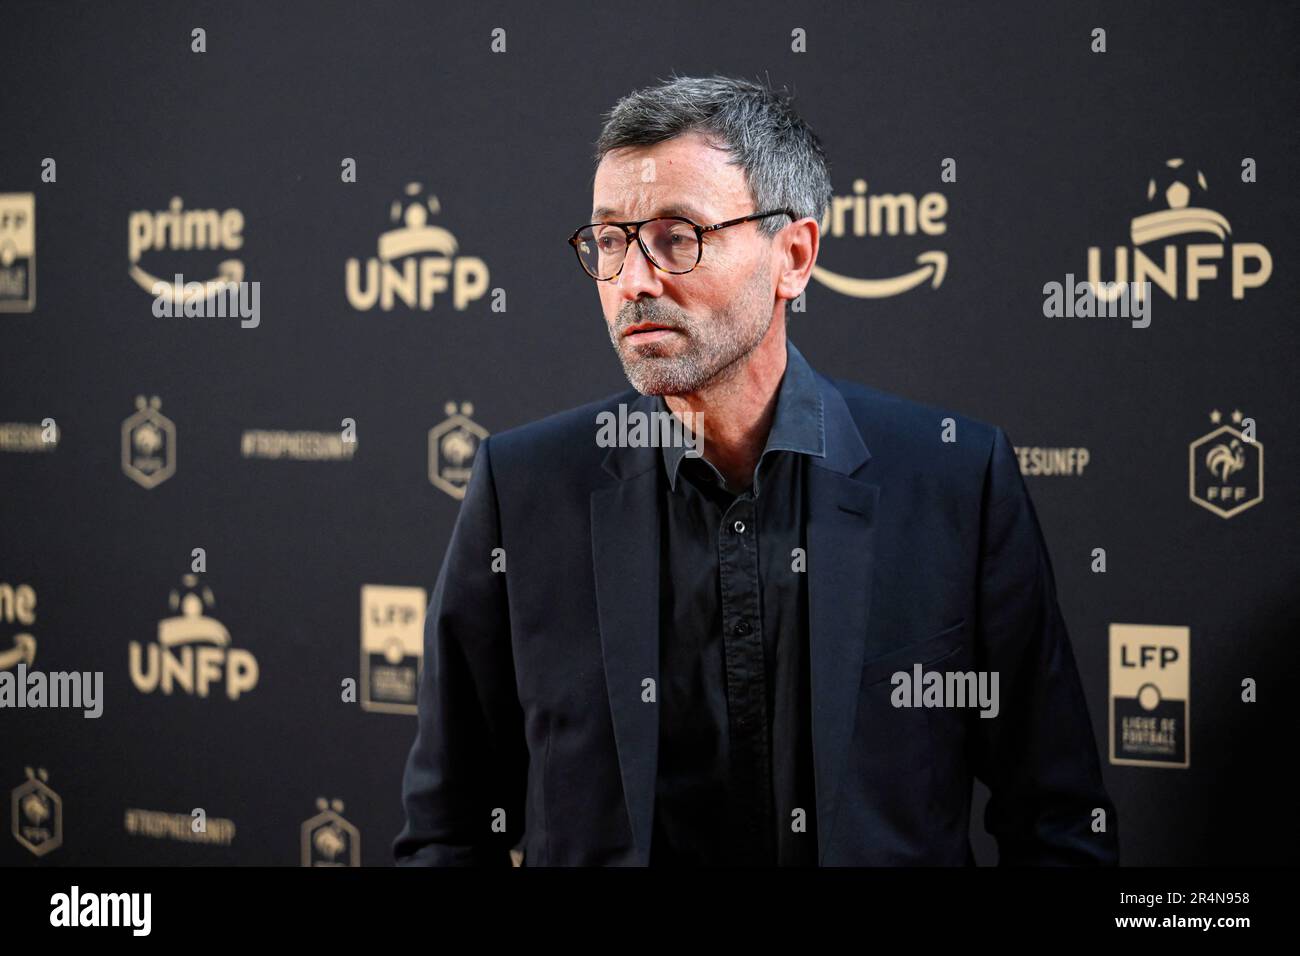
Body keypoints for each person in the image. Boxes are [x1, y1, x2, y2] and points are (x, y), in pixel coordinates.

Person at [394, 74, 1118, 866]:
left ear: (794, 257)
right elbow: (449, 830)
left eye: (678, 237)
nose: (633, 281)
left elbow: (1058, 823)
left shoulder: (954, 480)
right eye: (608, 241)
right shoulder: (522, 489)